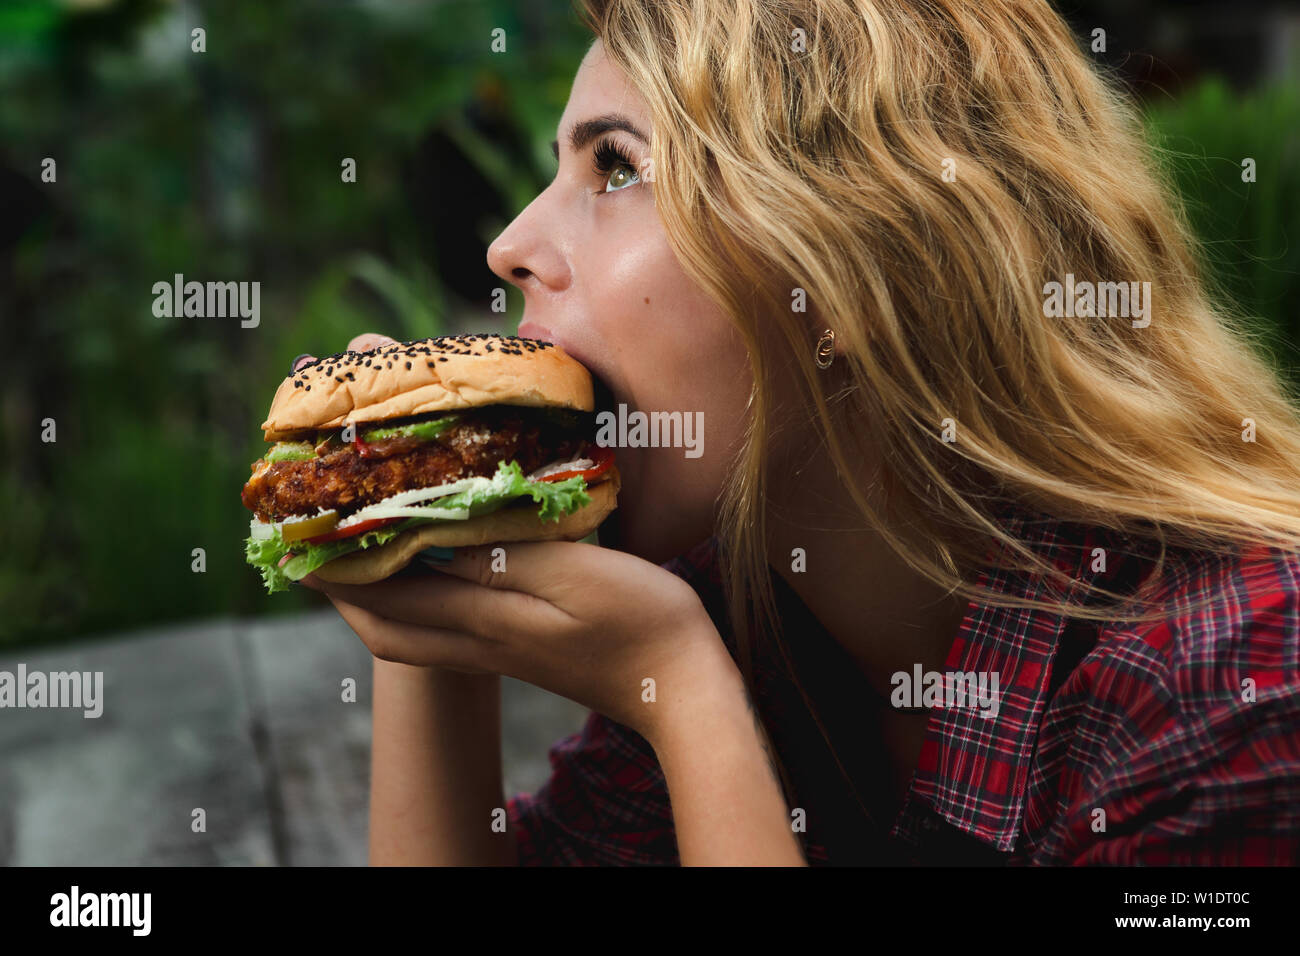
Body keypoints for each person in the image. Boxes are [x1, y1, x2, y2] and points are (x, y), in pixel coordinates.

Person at [295, 0, 1300, 865]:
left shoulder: (1235, 683)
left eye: (613, 168)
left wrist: (687, 697)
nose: (508, 244)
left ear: (849, 269)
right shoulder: (755, 606)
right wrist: (426, 570)